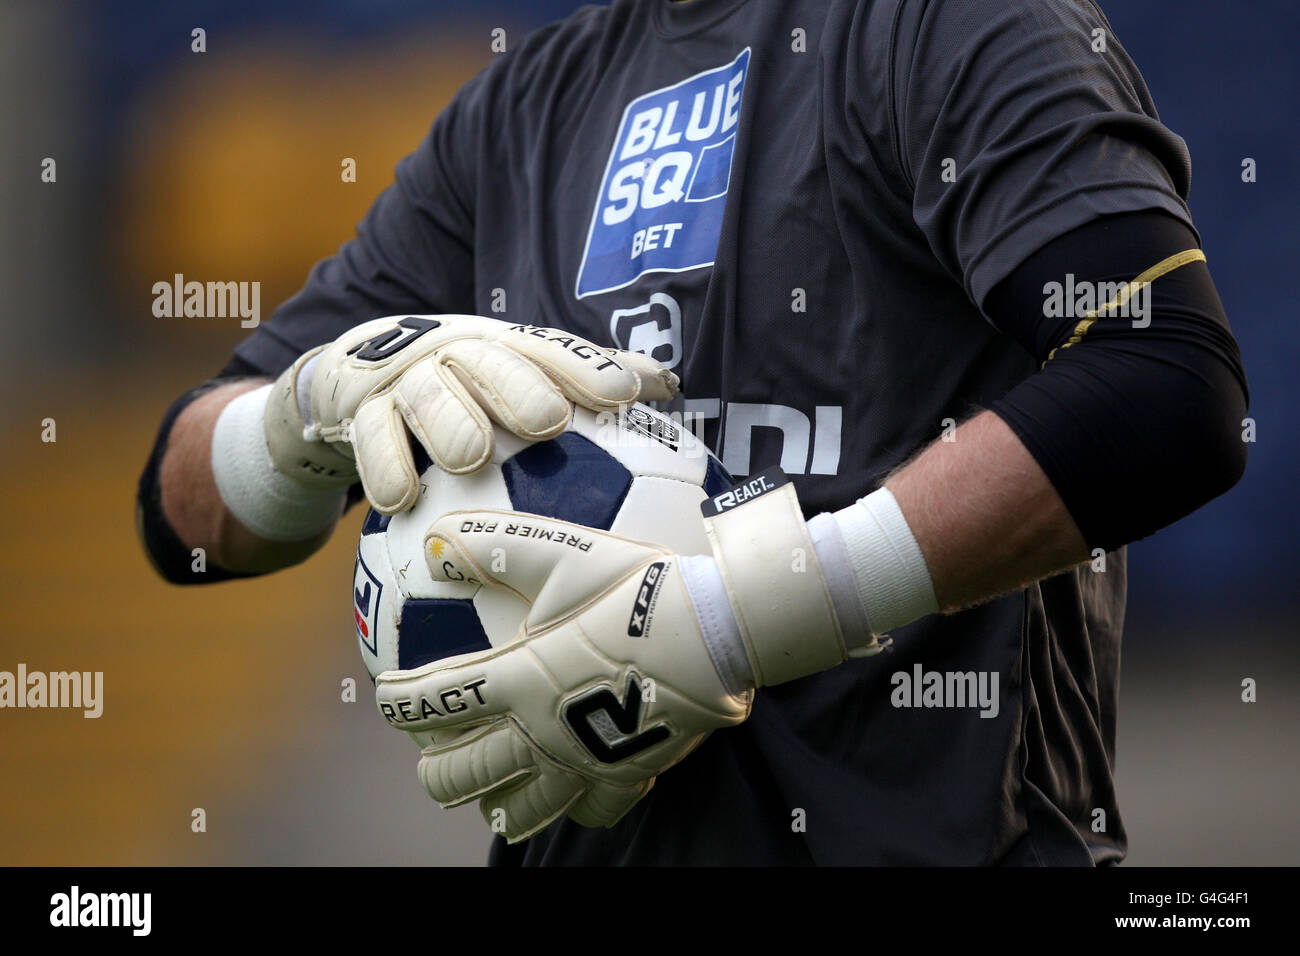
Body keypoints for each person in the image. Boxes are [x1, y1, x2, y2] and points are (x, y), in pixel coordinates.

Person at [137, 0, 1249, 865]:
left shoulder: (954, 25)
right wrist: (294, 418)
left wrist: (742, 619)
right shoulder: (516, 109)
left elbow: (1162, 381)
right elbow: (182, 520)